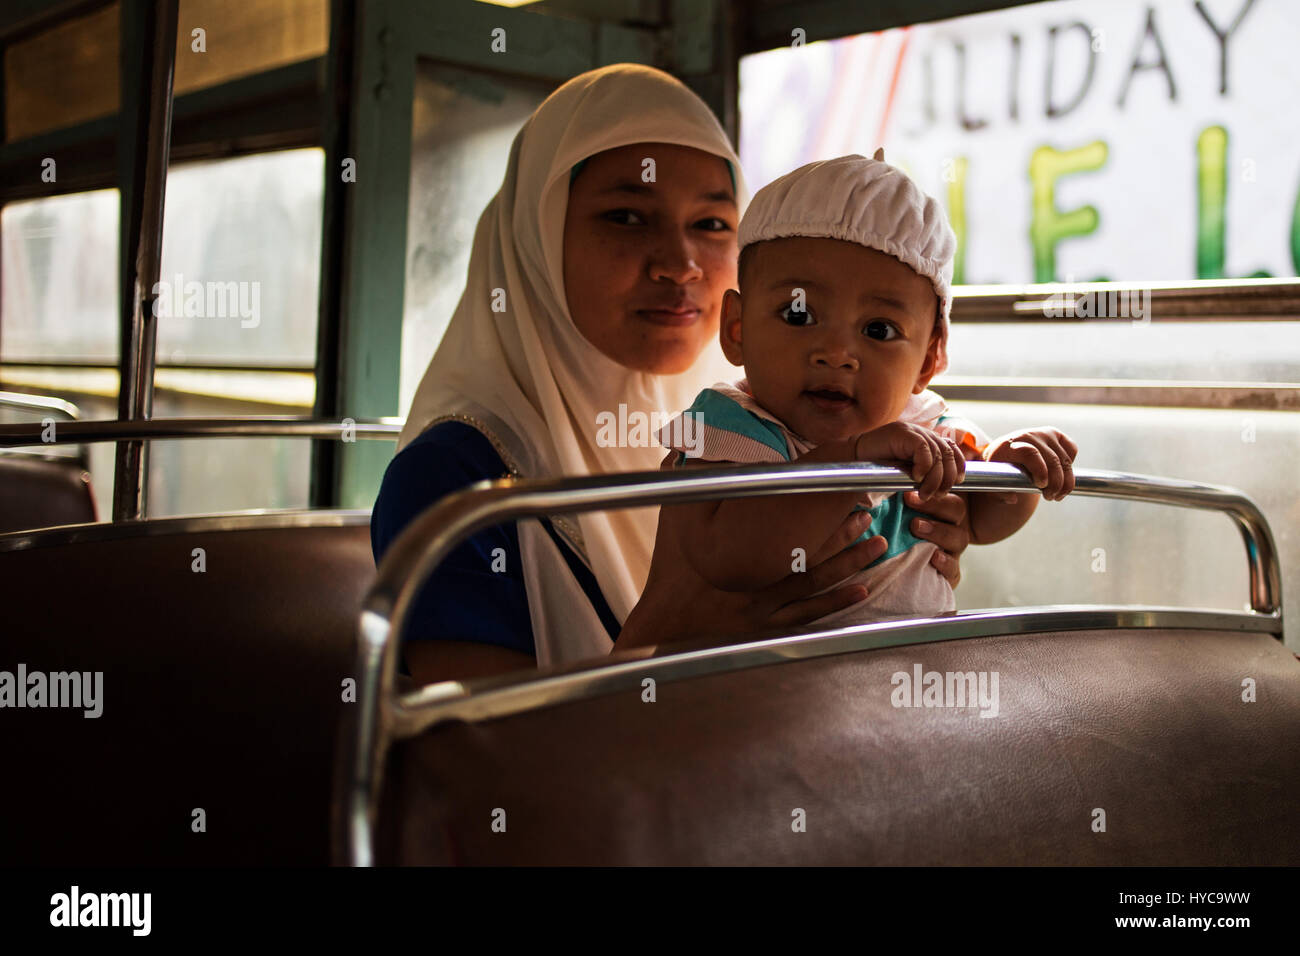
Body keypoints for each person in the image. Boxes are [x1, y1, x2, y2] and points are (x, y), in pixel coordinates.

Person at [371, 66, 973, 683]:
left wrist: (919, 541)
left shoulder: (773, 422)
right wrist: (668, 632)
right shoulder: (452, 484)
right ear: (537, 234)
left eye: (712, 225)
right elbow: (489, 767)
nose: (681, 266)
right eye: (627, 217)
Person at [655, 153, 1079, 624]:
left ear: (929, 358)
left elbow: (980, 523)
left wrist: (1013, 474)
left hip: (916, 684)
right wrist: (852, 462)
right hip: (783, 689)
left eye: (878, 329)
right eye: (799, 315)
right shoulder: (733, 427)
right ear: (736, 329)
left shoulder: (927, 428)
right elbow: (731, 559)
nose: (837, 353)